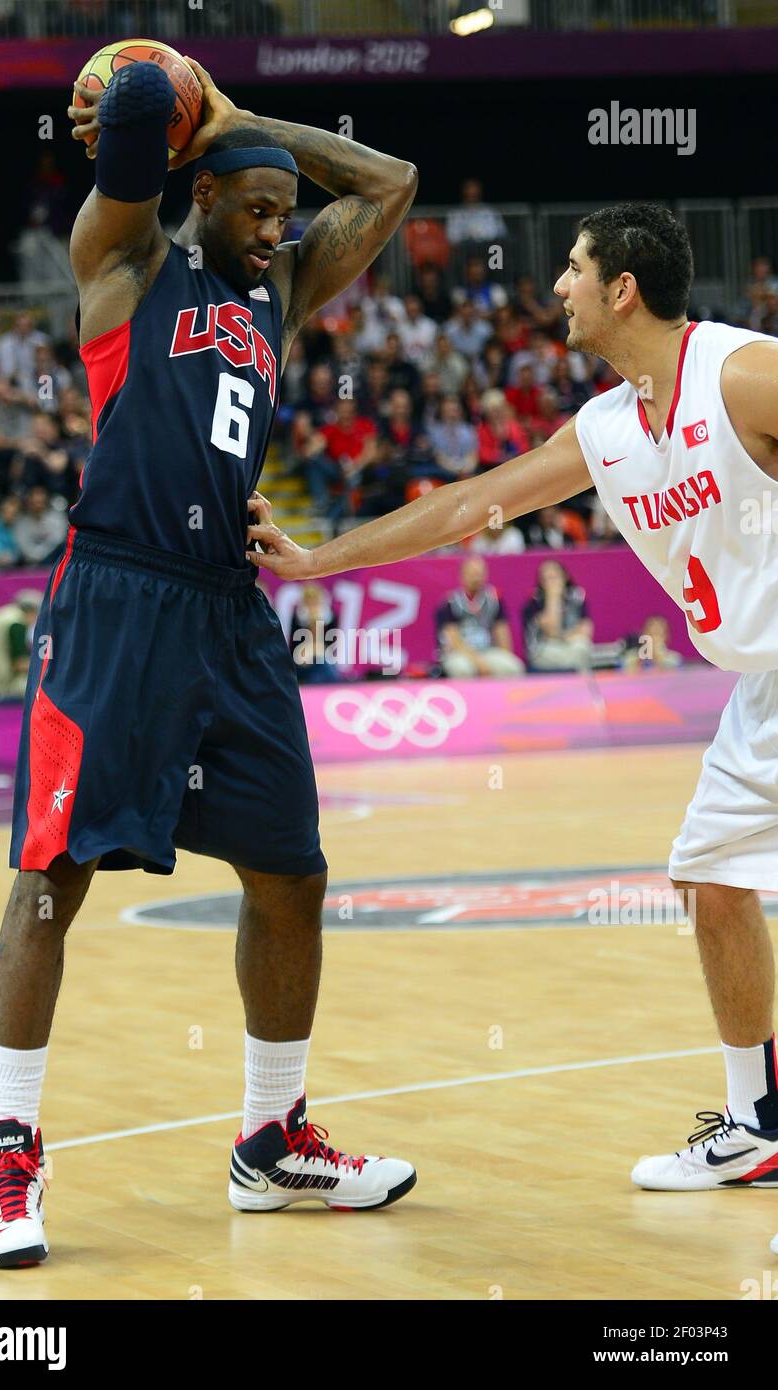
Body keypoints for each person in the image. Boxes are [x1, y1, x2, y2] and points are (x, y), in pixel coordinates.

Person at [248, 201, 778, 1222]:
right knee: (709, 876)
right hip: (758, 688)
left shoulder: (739, 372)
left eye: (573, 272)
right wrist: (317, 556)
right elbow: (460, 506)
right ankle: (754, 1124)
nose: (558, 290)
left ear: (621, 288)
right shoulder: (607, 428)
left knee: (710, 874)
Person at [0, 56, 418, 1271]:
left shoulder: (276, 296)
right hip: (118, 596)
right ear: (199, 199)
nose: (278, 230)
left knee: (291, 872)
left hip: (230, 608)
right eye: (256, 208)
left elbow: (389, 181)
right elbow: (127, 116)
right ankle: (10, 1151)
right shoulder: (126, 271)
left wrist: (242, 121)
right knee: (52, 875)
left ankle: (269, 1137)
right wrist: (177, 112)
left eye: (286, 213)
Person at [436, 556, 524, 678]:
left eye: (479, 574)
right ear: (462, 576)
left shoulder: (494, 599)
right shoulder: (450, 602)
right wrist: (478, 662)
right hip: (459, 653)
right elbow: (454, 641)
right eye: (472, 574)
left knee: (512, 667)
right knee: (462, 669)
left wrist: (506, 656)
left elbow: (502, 633)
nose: (476, 578)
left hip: (487, 650)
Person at [521, 559, 593, 672]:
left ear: (565, 576)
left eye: (555, 576)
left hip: (569, 643)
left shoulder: (576, 597)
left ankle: (579, 679)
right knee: (575, 658)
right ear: (541, 582)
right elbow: (551, 631)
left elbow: (586, 630)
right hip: (544, 648)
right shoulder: (534, 602)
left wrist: (564, 638)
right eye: (547, 579)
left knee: (582, 646)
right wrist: (553, 597)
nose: (552, 582)